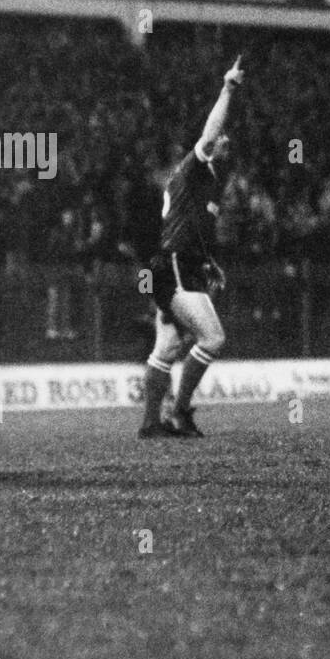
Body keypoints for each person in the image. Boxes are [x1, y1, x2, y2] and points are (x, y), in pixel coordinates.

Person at [137, 57, 244, 439]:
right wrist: (227, 89)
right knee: (212, 338)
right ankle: (180, 412)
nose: (226, 141)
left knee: (167, 347)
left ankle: (151, 423)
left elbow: (195, 229)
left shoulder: (206, 186)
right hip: (174, 264)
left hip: (172, 264)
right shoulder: (194, 168)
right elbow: (211, 133)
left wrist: (209, 262)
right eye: (222, 139)